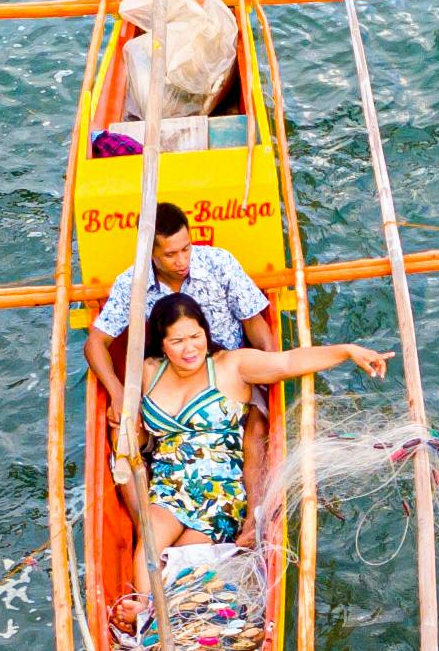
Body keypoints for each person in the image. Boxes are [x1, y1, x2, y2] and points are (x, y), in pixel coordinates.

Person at [114, 293, 386, 556]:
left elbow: (288, 362)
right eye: (177, 341)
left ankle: (155, 599)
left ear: (206, 332)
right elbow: (128, 424)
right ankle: (144, 604)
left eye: (196, 336)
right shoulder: (149, 370)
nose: (190, 348)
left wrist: (346, 351)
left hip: (220, 491)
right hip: (167, 488)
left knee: (184, 556)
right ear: (162, 344)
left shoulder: (232, 365)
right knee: (149, 544)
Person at [87, 202, 273, 404]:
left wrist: (271, 363)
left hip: (231, 373)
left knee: (258, 429)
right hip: (172, 383)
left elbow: (253, 322)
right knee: (122, 430)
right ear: (148, 252)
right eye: (170, 255)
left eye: (186, 249)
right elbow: (95, 344)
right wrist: (117, 392)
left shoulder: (220, 263)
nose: (182, 261)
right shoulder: (131, 284)